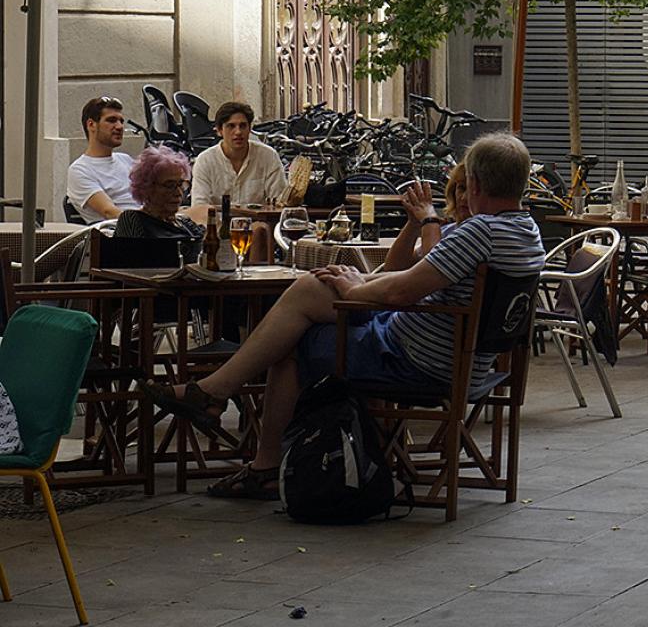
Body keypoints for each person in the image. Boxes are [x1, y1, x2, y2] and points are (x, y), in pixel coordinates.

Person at [144, 133, 546, 499]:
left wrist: (354, 290)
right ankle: (216, 397)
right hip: (451, 358)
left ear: (473, 184)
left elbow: (401, 291)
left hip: (414, 361)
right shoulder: (525, 231)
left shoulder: (479, 232)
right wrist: (363, 277)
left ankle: (244, 436)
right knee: (312, 293)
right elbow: (403, 275)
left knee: (293, 339)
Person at [190, 101, 286, 210]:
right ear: (219, 130)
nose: (238, 132)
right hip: (217, 220)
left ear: (250, 129)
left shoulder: (268, 157)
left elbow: (279, 203)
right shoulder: (205, 161)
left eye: (243, 126)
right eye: (231, 126)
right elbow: (199, 207)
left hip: (260, 220)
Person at [113, 147, 203, 260]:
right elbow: (135, 263)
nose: (178, 193)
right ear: (147, 188)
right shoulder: (133, 219)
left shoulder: (186, 223)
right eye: (169, 185)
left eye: (180, 184)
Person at [378, 168, 468, 273]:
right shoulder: (447, 231)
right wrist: (413, 224)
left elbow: (434, 271)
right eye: (462, 188)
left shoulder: (475, 233)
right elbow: (393, 267)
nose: (464, 197)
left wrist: (429, 218)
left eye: (473, 191)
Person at [66, 96, 140, 223]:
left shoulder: (126, 160)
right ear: (91, 125)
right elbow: (110, 212)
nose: (119, 126)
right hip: (123, 231)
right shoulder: (79, 170)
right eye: (111, 120)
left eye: (121, 121)